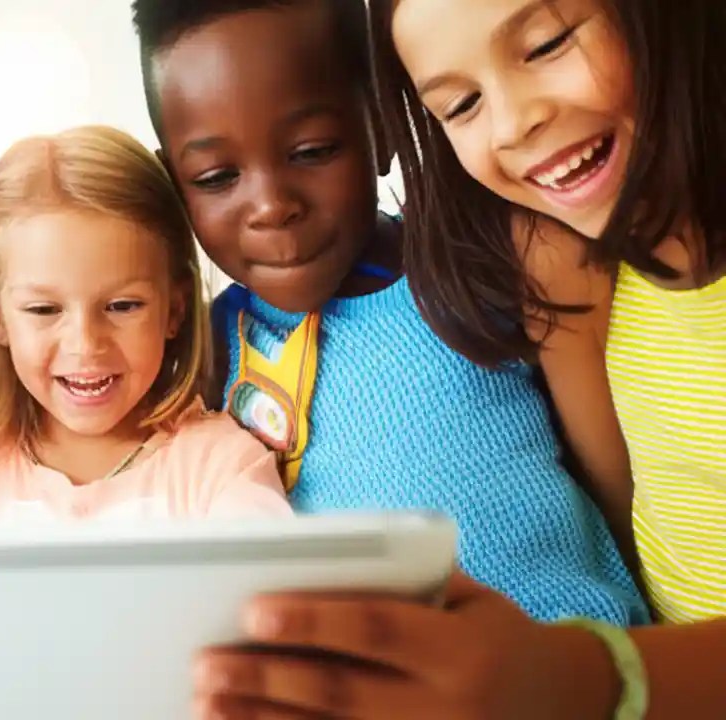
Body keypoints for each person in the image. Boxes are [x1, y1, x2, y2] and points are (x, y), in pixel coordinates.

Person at [193, 0, 724, 717]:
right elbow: (626, 517)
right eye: (462, 103)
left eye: (546, 44)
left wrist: (580, 676)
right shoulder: (574, 268)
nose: (513, 123)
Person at [131, 0, 645, 625]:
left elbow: (634, 501)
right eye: (215, 177)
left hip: (578, 668)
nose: (271, 206)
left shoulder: (492, 264)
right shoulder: (207, 354)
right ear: (173, 186)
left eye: (312, 150)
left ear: (380, 127)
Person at [0, 125, 291, 523]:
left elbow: (262, 582)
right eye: (44, 310)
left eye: (122, 306)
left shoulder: (221, 466)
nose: (85, 344)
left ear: (174, 310)